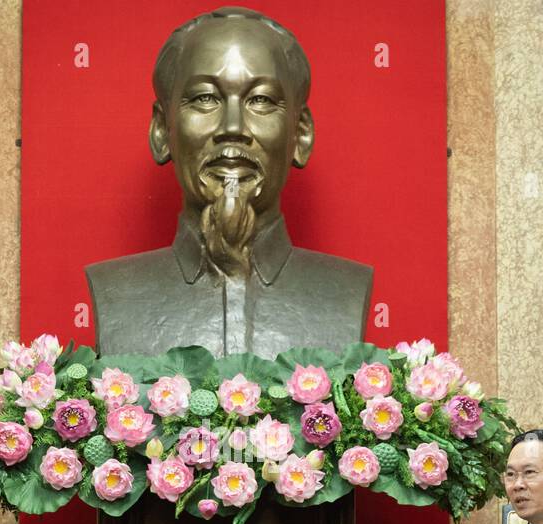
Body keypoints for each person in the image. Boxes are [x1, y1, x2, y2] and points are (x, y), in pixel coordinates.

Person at [86, 6, 372, 358]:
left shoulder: (347, 291)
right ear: (161, 131)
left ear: (300, 134)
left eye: (261, 100)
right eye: (205, 98)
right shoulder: (115, 291)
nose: (233, 127)